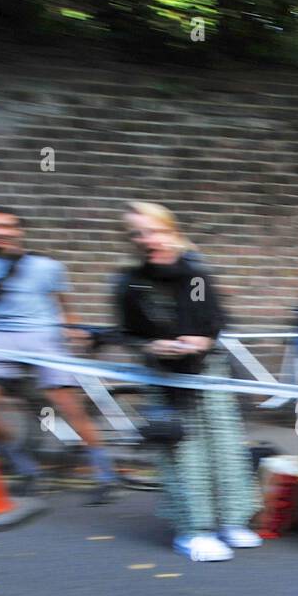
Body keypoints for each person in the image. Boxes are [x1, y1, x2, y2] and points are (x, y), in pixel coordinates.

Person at [116, 201, 261, 561]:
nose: (147, 239)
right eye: (137, 233)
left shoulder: (194, 273)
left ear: (170, 231)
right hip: (164, 378)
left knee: (225, 450)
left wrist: (203, 340)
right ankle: (192, 531)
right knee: (182, 455)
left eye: (154, 230)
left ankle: (231, 521)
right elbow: (128, 332)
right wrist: (153, 345)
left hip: (207, 375)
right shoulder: (132, 283)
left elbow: (214, 319)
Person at [0, 205, 119, 505]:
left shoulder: (46, 266)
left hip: (42, 334)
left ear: (19, 231)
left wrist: (72, 332)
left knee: (69, 406)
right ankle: (24, 468)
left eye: (5, 226)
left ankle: (105, 473)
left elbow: (65, 305)